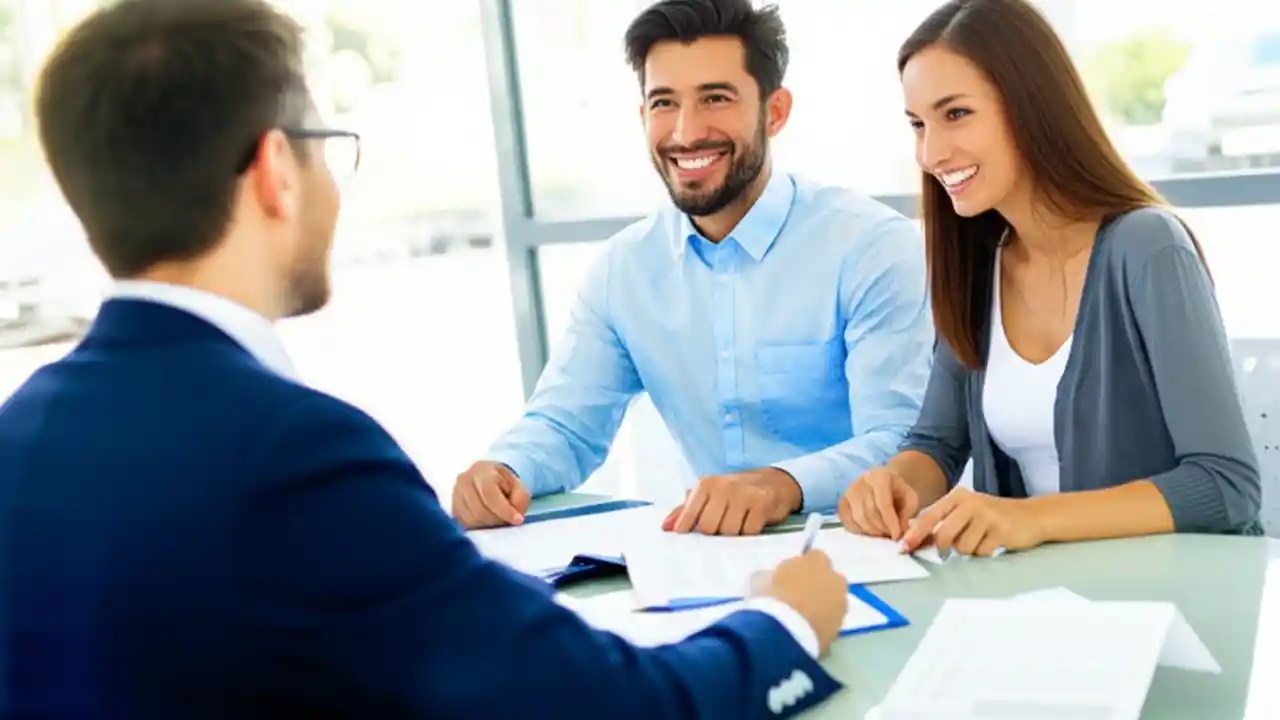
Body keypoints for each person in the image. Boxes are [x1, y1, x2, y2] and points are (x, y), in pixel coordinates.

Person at [0, 1, 852, 717]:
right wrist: (784, 623)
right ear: (274, 174)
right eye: (326, 147)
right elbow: (607, 706)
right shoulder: (299, 455)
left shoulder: (22, 431)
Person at [454, 0, 932, 537]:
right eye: (664, 103)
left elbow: (903, 440)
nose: (686, 132)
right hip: (709, 558)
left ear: (775, 112)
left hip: (869, 548)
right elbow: (566, 425)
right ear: (642, 117)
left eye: (716, 98)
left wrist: (777, 485)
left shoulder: (870, 246)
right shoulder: (624, 271)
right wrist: (505, 468)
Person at [838, 0, 1262, 557]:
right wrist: (895, 484)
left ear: (1031, 106)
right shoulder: (975, 264)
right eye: (919, 124)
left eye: (956, 114)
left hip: (1171, 604)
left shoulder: (1148, 247)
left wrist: (1033, 519)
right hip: (1045, 606)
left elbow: (1225, 485)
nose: (931, 152)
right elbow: (937, 444)